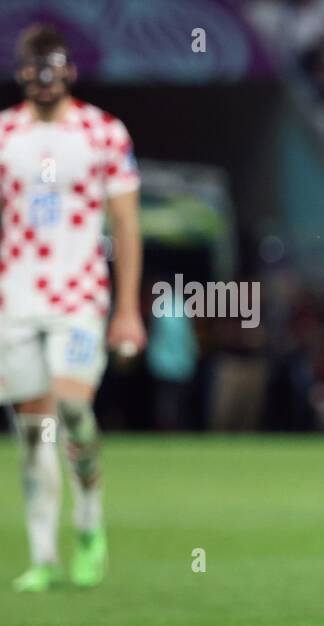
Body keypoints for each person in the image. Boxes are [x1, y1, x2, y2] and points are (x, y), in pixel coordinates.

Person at [0, 24, 145, 591]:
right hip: (15, 300)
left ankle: (89, 521)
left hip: (81, 295)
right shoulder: (4, 133)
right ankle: (43, 555)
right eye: (33, 71)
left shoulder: (103, 133)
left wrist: (128, 309)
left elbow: (127, 224)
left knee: (73, 406)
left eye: (52, 70)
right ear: (21, 73)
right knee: (34, 434)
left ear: (70, 72)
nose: (43, 81)